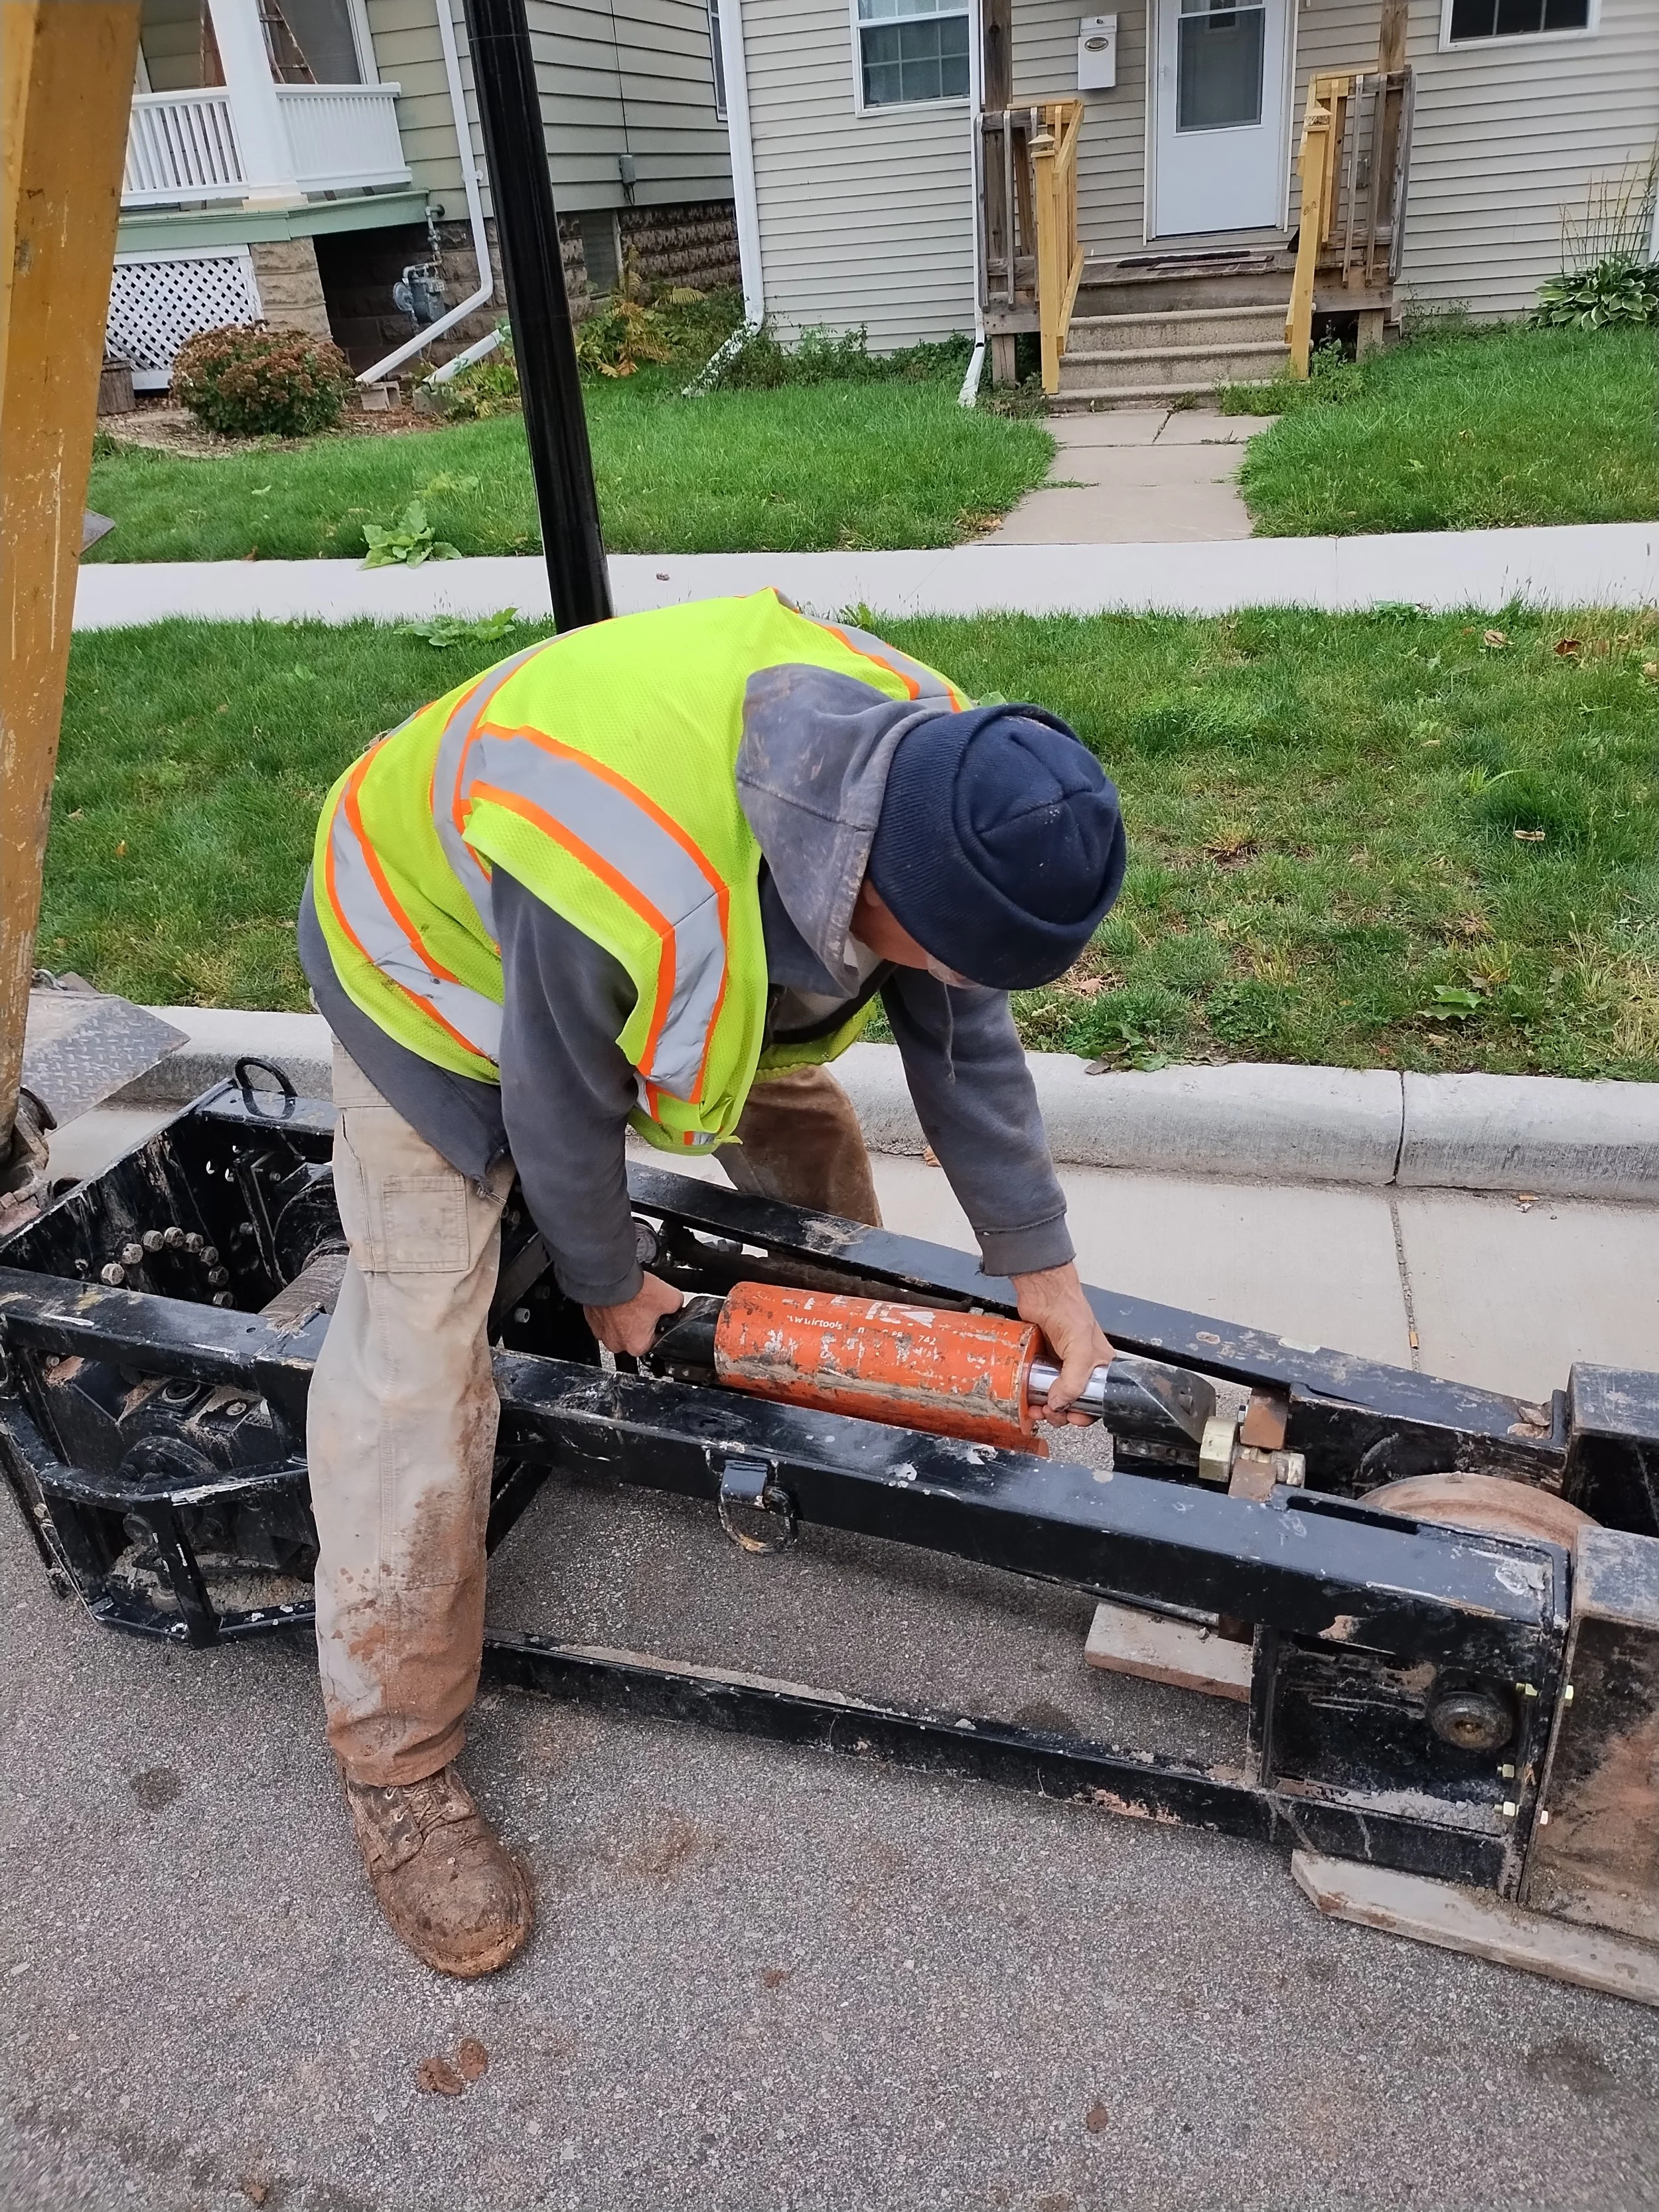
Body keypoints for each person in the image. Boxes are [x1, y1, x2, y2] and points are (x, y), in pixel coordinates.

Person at [298, 589, 1127, 1976]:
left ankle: (862, 1371)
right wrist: (609, 1285)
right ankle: (397, 1763)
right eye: (948, 953)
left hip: (655, 915)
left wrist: (1038, 1261)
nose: (965, 985)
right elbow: (560, 1111)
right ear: (875, 890)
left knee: (793, 1121)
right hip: (433, 962)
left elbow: (961, 1041)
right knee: (418, 1351)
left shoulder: (943, 771)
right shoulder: (624, 873)